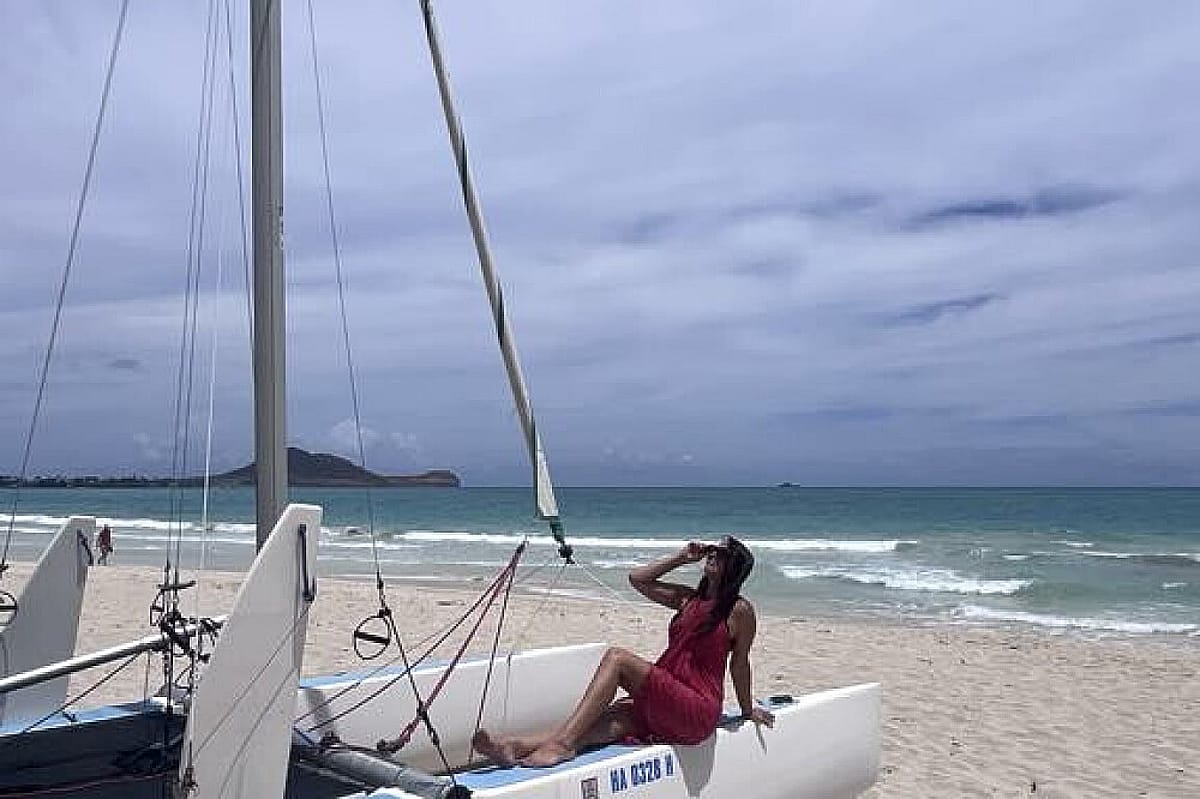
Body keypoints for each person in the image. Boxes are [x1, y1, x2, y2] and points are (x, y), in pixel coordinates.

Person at [471, 536, 774, 768]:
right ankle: (516, 747)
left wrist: (747, 711)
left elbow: (740, 664)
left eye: (722, 554)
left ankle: (562, 746)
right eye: (713, 550)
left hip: (696, 709)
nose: (713, 555)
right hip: (669, 698)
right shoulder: (687, 599)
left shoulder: (739, 611)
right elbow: (637, 579)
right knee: (611, 720)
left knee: (618, 659)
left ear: (735, 568)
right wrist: (681, 557)